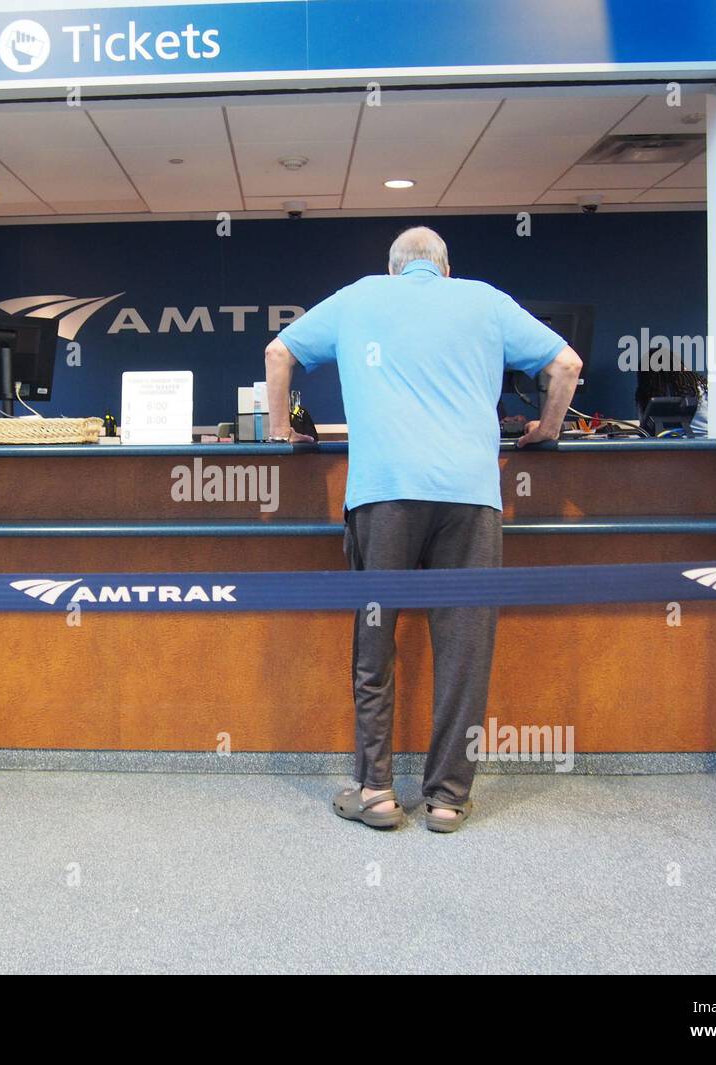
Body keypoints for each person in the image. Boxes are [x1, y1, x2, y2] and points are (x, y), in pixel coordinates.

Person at [264, 227, 582, 833]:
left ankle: (377, 791)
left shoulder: (359, 296)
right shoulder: (484, 299)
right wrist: (548, 426)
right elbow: (566, 363)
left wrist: (281, 428)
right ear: (445, 268)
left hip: (384, 495)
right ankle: (446, 798)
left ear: (393, 268)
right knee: (465, 649)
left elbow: (279, 353)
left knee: (375, 645)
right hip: (469, 497)